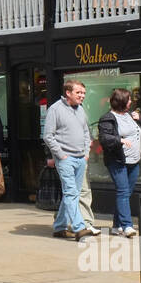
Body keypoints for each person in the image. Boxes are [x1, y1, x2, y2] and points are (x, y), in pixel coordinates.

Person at [45, 79, 93, 240]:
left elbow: (86, 132)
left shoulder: (80, 109)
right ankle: (80, 228)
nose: (82, 96)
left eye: (84, 93)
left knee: (72, 194)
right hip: (66, 159)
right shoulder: (55, 109)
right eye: (78, 92)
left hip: (80, 158)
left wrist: (86, 153)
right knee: (71, 192)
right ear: (68, 93)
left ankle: (59, 227)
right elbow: (48, 136)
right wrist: (61, 155)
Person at [98, 87, 141, 237]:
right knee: (123, 191)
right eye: (129, 99)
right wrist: (120, 140)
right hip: (118, 160)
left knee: (126, 193)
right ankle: (127, 225)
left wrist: (140, 119)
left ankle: (117, 225)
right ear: (122, 101)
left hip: (134, 160)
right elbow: (104, 138)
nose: (131, 101)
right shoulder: (108, 118)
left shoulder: (130, 115)